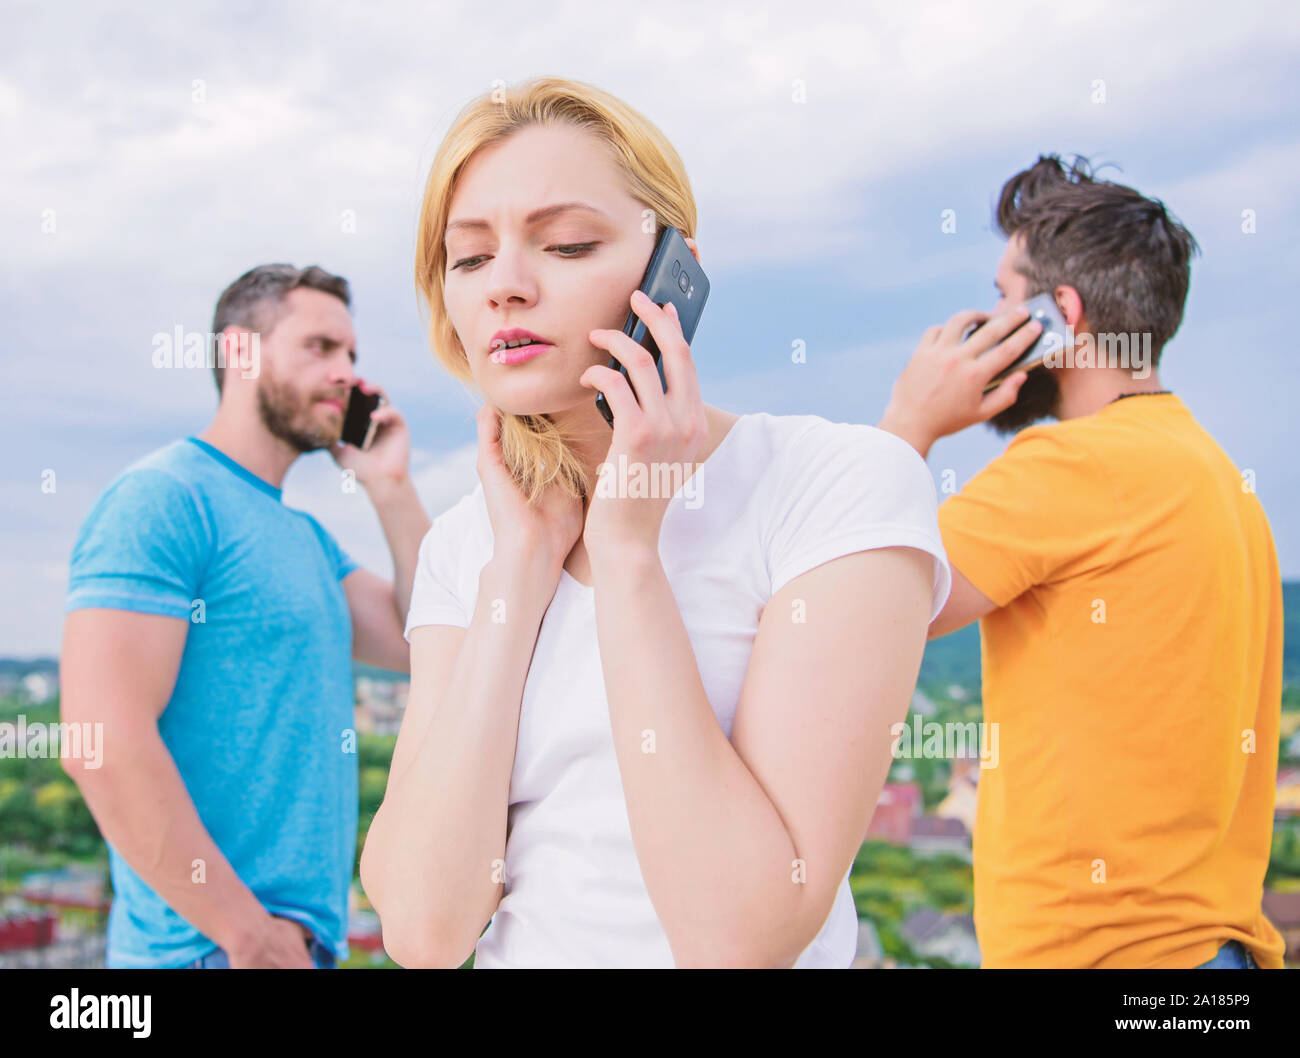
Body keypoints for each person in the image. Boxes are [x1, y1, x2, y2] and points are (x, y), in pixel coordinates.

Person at [359, 77, 953, 969]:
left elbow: (739, 936)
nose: (505, 289)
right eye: (469, 258)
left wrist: (628, 553)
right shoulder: (469, 549)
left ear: (674, 270)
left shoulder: (836, 487)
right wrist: (516, 578)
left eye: (564, 244)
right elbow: (424, 930)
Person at [878, 155, 1286, 969]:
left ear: (1063, 314)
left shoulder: (1072, 467)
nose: (988, 320)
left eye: (1005, 296)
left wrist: (908, 424)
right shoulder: (1216, 475)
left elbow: (868, 612)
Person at [60, 263, 430, 968]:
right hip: (207, 953)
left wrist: (390, 486)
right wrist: (248, 937)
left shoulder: (305, 538)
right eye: (320, 347)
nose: (347, 373)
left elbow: (426, 638)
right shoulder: (164, 498)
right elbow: (97, 741)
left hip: (284, 950)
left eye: (351, 354)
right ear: (238, 353)